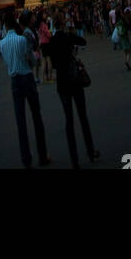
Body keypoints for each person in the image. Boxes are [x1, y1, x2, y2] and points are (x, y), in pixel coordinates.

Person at [0, 8, 51, 169]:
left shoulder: (1, 43)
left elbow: (7, 63)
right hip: (27, 77)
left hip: (14, 81)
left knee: (20, 122)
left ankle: (26, 158)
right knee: (37, 117)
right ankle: (42, 155)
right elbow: (32, 61)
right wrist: (35, 58)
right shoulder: (22, 40)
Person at [48, 11, 99, 169]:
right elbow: (83, 41)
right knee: (82, 116)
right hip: (75, 81)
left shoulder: (52, 41)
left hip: (62, 84)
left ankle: (74, 159)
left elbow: (54, 64)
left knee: (69, 121)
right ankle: (90, 151)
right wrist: (71, 32)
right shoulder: (69, 36)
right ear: (63, 23)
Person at [38, 14, 53, 81]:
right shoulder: (44, 25)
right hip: (46, 43)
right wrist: (51, 34)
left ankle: (43, 77)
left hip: (42, 43)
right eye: (44, 14)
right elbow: (48, 34)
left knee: (43, 61)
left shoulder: (39, 25)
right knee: (49, 60)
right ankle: (50, 76)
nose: (45, 15)